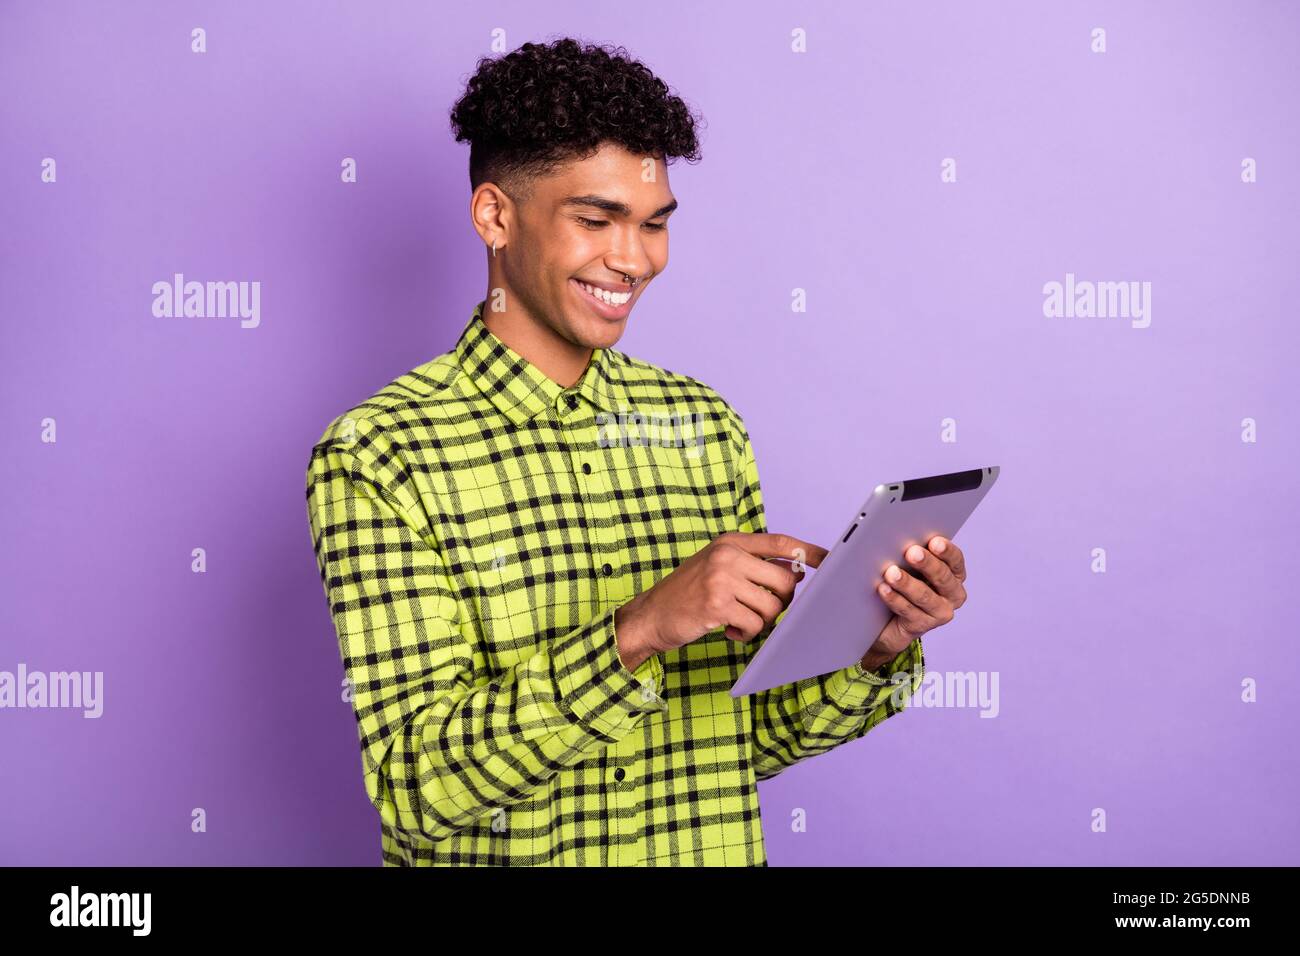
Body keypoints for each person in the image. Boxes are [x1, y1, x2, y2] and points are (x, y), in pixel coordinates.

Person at [305, 37, 970, 867]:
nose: (633, 259)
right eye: (596, 219)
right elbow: (421, 787)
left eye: (654, 224)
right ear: (494, 216)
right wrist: (643, 628)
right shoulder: (379, 454)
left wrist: (875, 641)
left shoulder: (704, 425)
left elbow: (738, 743)